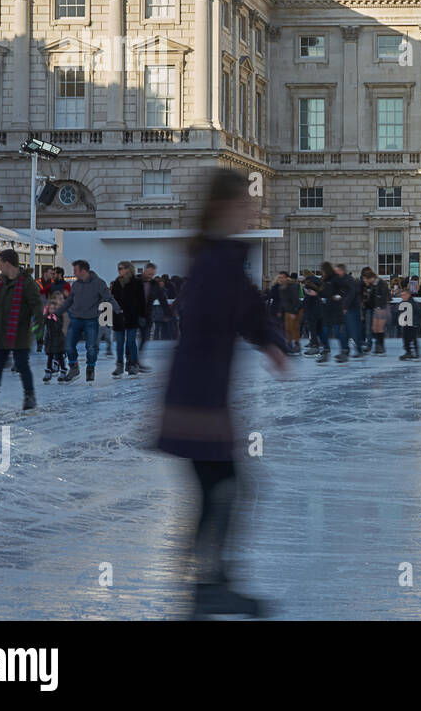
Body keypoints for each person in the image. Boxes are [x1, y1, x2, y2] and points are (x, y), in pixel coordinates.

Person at [156, 168, 290, 619]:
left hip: (200, 391)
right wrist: (266, 339)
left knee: (220, 488)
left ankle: (208, 581)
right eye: (244, 206)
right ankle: (207, 582)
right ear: (221, 208)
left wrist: (270, 340)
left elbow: (248, 309)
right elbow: (224, 316)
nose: (251, 214)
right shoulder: (215, 260)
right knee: (226, 487)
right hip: (198, 395)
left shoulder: (221, 257)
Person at [0, 249, 44, 412]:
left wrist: (39, 327)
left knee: (22, 365)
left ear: (7, 263)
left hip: (19, 332)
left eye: (0, 263)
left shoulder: (27, 283)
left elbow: (36, 306)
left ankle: (30, 396)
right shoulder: (1, 282)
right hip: (2, 332)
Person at [60, 259, 115, 383]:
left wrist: (118, 311)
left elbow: (108, 298)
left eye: (75, 271)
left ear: (83, 271)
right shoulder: (76, 285)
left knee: (91, 347)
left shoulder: (99, 283)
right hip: (76, 318)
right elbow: (69, 300)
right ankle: (74, 367)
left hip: (92, 319)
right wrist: (57, 311)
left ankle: (90, 367)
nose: (74, 273)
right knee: (68, 346)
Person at [110, 261, 147, 377]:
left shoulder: (136, 282)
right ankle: (120, 365)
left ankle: (133, 364)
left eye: (121, 268)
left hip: (132, 316)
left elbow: (141, 301)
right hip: (119, 316)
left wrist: (142, 315)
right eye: (118, 268)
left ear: (128, 269)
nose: (119, 270)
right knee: (119, 342)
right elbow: (113, 300)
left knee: (131, 341)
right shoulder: (116, 283)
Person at [42, 289, 68, 382]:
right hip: (50, 339)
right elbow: (43, 323)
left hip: (59, 339)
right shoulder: (47, 316)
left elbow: (61, 326)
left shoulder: (59, 315)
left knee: (59, 356)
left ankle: (63, 370)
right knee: (50, 356)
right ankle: (49, 370)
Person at [396, 286, 421, 361]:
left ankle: (415, 352)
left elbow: (420, 313)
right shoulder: (402, 304)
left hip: (413, 324)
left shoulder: (413, 303)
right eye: (402, 295)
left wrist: (419, 323)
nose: (402, 297)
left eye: (404, 295)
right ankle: (409, 352)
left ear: (409, 295)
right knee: (406, 338)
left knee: (413, 338)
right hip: (406, 324)